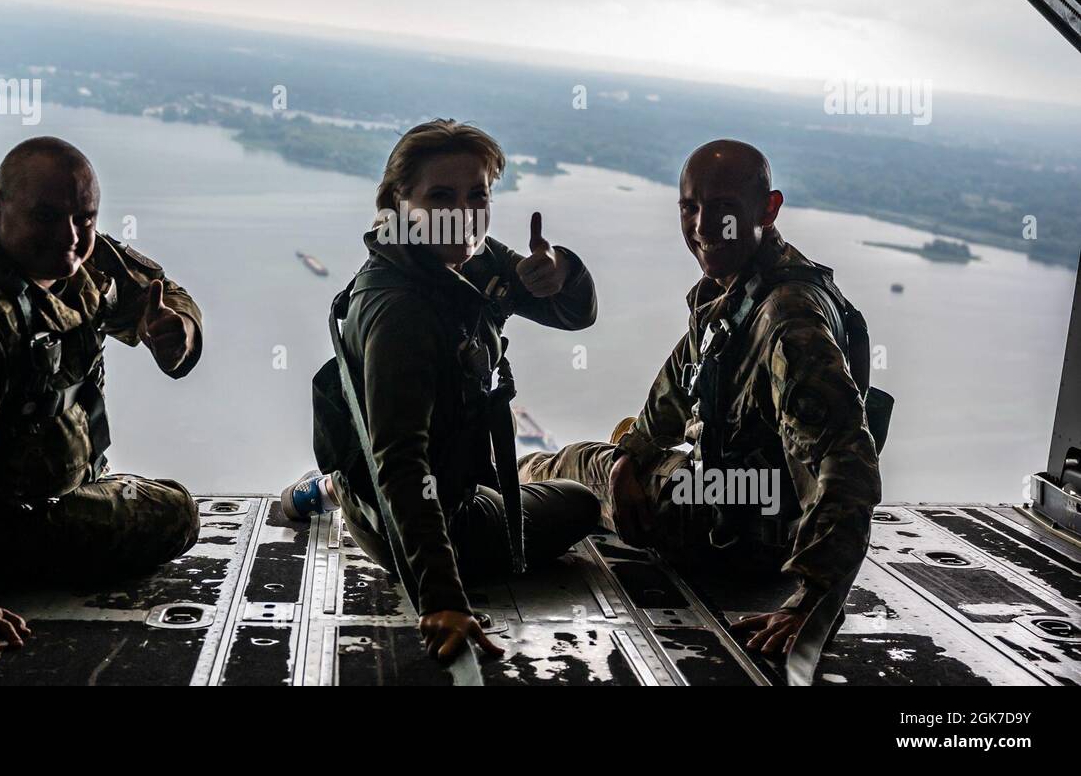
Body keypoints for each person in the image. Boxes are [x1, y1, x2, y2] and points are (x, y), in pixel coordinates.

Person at [519, 139, 883, 656]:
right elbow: (678, 382)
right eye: (690, 208)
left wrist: (815, 600)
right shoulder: (746, 289)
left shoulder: (788, 320)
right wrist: (632, 455)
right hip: (743, 511)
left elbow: (846, 462)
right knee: (621, 447)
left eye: (724, 210)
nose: (703, 227)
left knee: (573, 464)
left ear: (768, 209)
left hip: (728, 527)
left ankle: (501, 488)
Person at [284, 119, 602, 663]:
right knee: (581, 503)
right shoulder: (400, 311)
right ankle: (347, 498)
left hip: (396, 493)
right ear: (398, 202)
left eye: (477, 195)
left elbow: (575, 316)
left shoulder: (469, 259)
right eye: (441, 196)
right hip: (417, 517)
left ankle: (336, 490)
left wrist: (562, 271)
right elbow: (403, 464)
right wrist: (443, 600)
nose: (463, 213)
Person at [0, 136, 204, 653]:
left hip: (45, 492)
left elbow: (158, 291)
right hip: (2, 528)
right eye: (48, 217)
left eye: (86, 218)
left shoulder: (80, 257)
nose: (70, 238)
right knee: (178, 512)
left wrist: (179, 331)